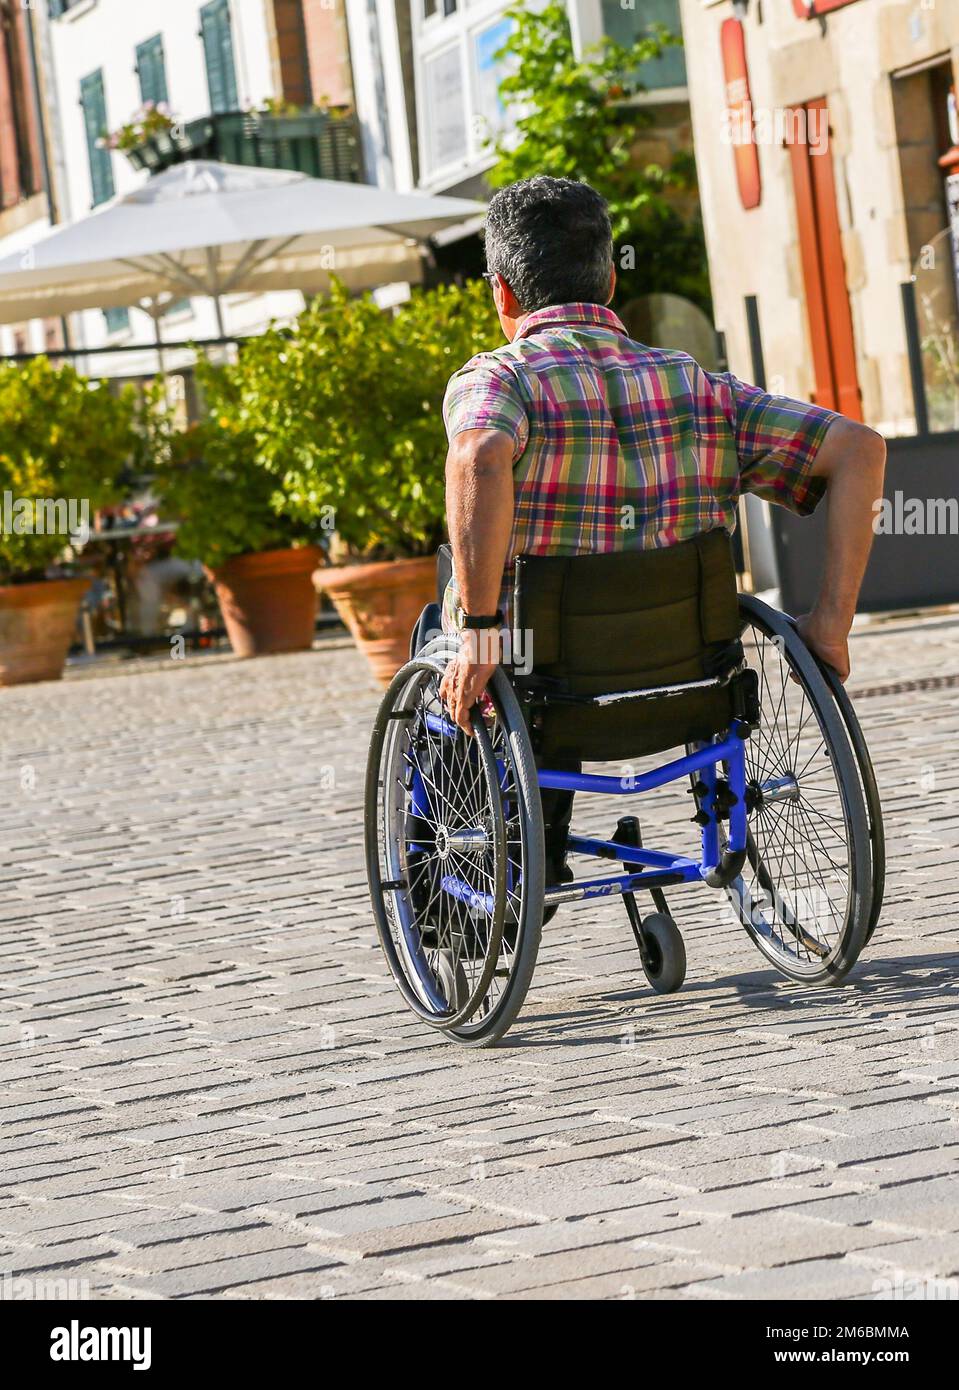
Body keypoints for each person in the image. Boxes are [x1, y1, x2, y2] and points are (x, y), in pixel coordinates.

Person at [438, 175, 886, 888]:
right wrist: (828, 622)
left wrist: (479, 630)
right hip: (693, 678)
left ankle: (488, 879)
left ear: (502, 293)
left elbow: (481, 455)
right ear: (610, 279)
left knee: (446, 620)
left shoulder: (500, 380)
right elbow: (859, 448)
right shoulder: (697, 385)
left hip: (547, 687)